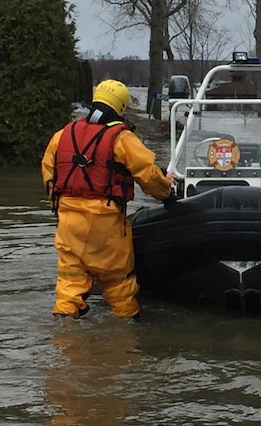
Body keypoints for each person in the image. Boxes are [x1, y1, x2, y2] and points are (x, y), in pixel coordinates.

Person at [41, 79, 176, 320]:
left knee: (69, 284)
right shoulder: (121, 138)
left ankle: (64, 336)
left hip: (68, 222)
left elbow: (49, 174)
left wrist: (58, 205)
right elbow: (148, 174)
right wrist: (167, 193)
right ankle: (126, 329)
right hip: (105, 221)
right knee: (118, 284)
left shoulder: (62, 135)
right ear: (121, 107)